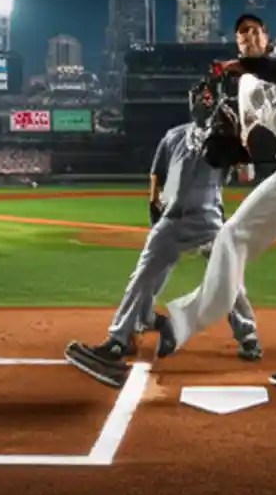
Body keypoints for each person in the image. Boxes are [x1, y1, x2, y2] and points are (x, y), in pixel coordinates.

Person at [150, 13, 276, 388]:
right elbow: (248, 152)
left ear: (266, 37)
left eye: (256, 30)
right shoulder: (244, 87)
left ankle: (181, 323)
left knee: (232, 237)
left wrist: (236, 66)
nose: (250, 34)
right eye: (242, 32)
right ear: (236, 40)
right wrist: (214, 129)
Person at [64, 84, 262, 388]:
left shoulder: (225, 137)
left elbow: (247, 175)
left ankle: (247, 334)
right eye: (198, 97)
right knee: (143, 275)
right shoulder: (173, 136)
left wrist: (240, 137)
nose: (202, 102)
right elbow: (157, 173)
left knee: (228, 276)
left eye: (208, 98)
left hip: (209, 219)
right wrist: (154, 204)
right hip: (172, 219)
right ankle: (120, 339)